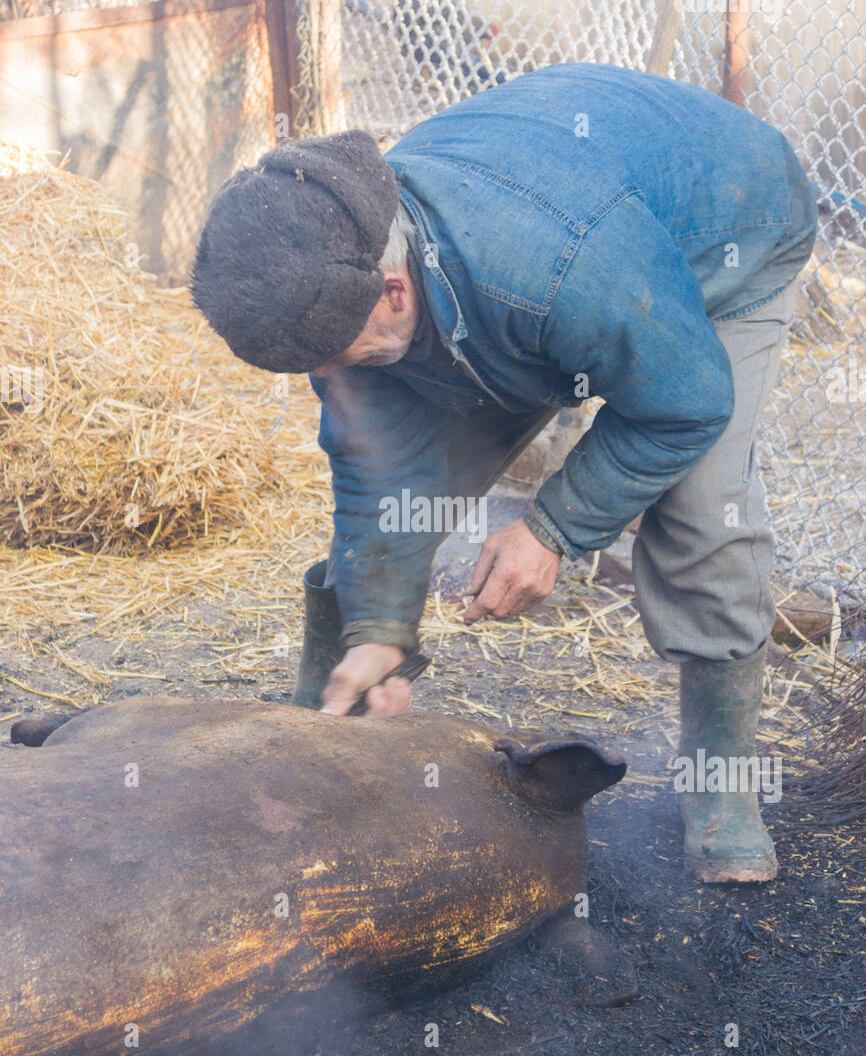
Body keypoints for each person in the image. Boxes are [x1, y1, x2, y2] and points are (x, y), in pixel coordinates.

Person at [191, 63, 817, 883]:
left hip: (729, 230)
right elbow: (379, 465)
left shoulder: (553, 264)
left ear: (390, 289)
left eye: (339, 356)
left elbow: (684, 403)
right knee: (389, 468)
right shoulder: (335, 277)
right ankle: (335, 719)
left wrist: (555, 530)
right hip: (541, 265)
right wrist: (379, 624)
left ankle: (724, 786)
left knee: (704, 512)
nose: (333, 374)